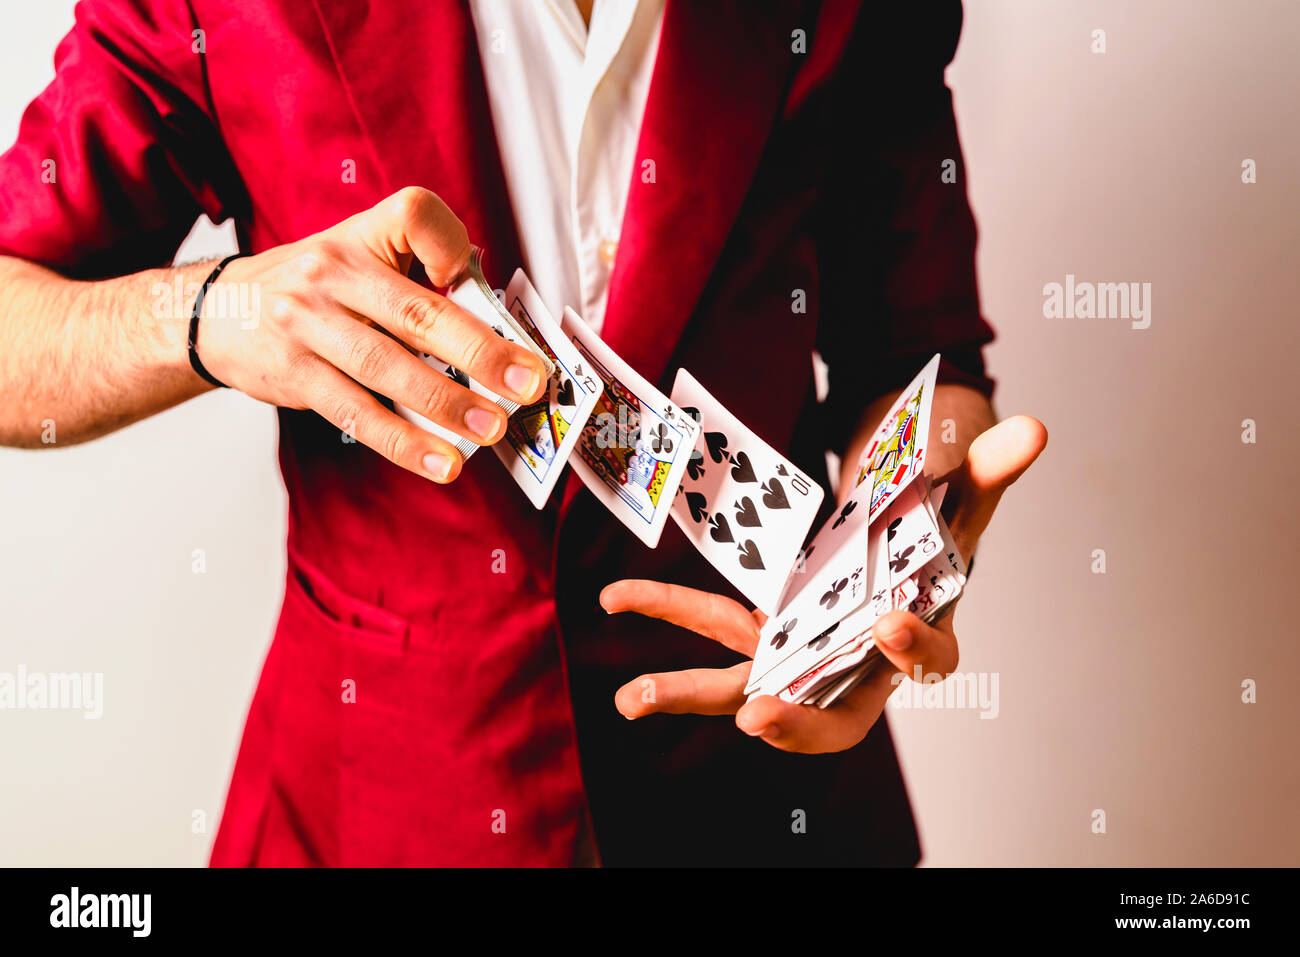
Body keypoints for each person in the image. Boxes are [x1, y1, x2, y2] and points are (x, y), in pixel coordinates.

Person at [0, 0, 1044, 866]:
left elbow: (922, 365)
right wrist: (218, 314)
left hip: (767, 785)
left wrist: (893, 561)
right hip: (382, 801)